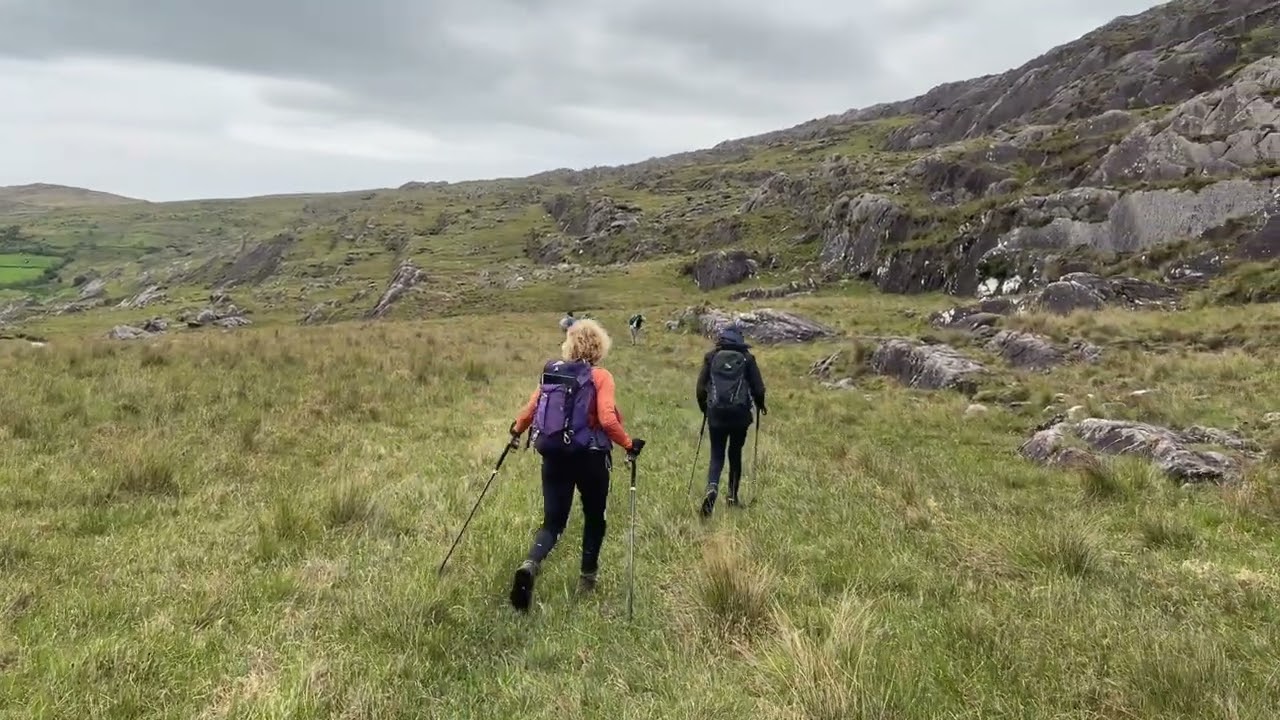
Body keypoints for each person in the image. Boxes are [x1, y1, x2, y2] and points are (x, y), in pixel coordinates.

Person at [507, 318, 645, 611]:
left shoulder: (553, 374)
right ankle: (587, 579)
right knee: (595, 516)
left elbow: (531, 409)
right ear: (599, 347)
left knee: (553, 522)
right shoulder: (601, 376)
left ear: (569, 346)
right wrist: (628, 444)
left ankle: (531, 563)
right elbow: (607, 418)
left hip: (555, 455)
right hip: (591, 457)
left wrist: (516, 431)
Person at [695, 325, 766, 517]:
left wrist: (705, 409)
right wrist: (760, 405)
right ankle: (732, 497)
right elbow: (759, 389)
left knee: (717, 454)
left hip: (716, 414)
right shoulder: (747, 358)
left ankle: (712, 487)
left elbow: (700, 388)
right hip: (740, 415)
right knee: (735, 453)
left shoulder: (711, 357)